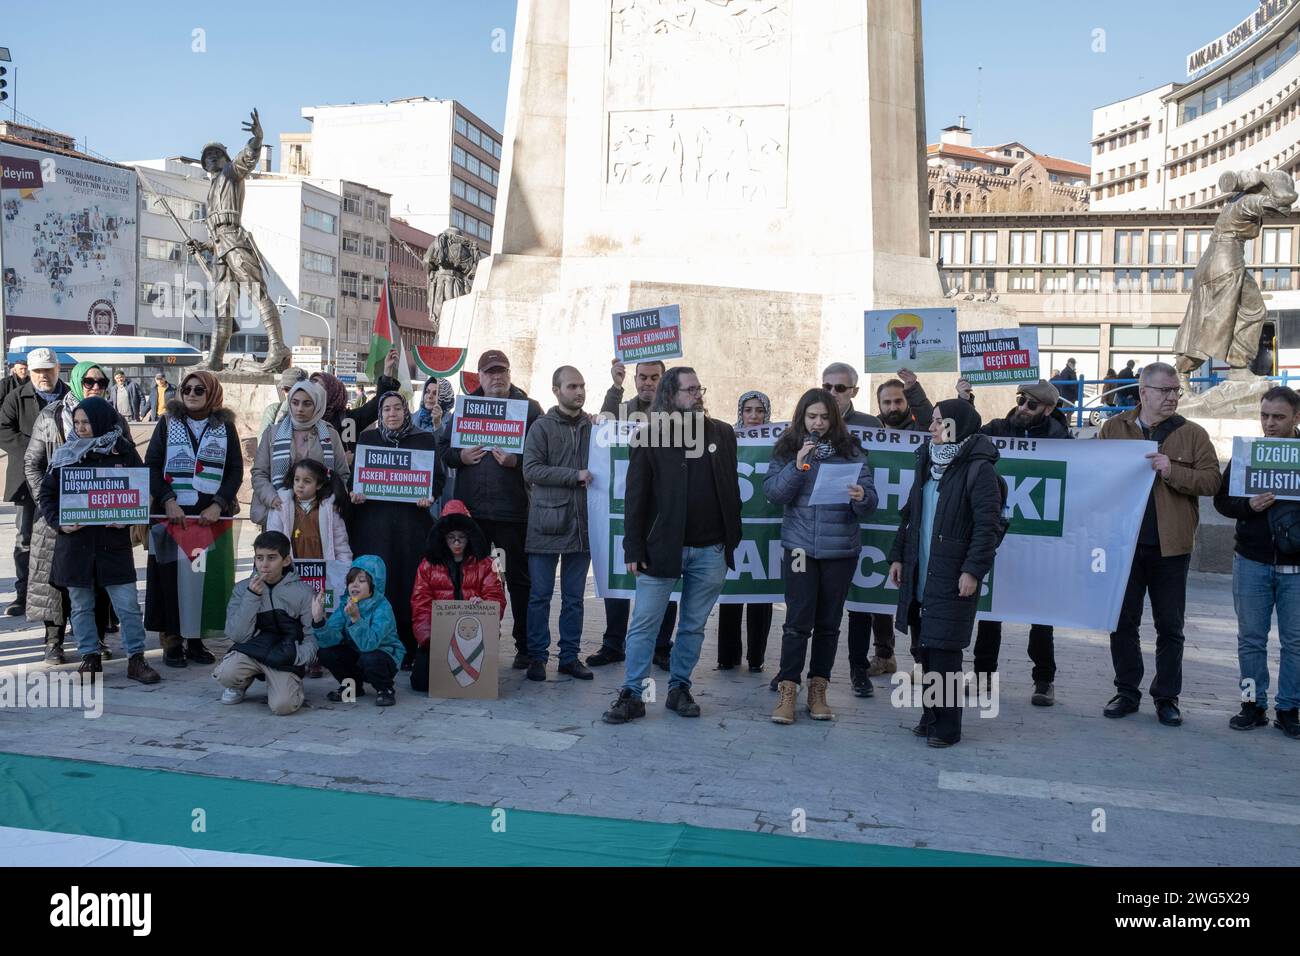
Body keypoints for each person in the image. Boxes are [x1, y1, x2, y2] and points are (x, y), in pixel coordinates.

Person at [602, 367, 742, 724]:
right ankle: (632, 693)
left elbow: (730, 490)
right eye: (690, 390)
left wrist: (731, 541)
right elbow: (635, 499)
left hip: (710, 550)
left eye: (700, 388)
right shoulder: (648, 438)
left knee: (693, 626)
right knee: (644, 625)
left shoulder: (723, 434)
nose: (698, 395)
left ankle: (679, 688)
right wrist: (633, 548)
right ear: (670, 395)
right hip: (660, 549)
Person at [1099, 362, 1220, 726]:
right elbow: (1093, 471)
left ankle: (1166, 697)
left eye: (1176, 391)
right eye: (1165, 390)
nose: (1172, 397)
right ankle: (1126, 690)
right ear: (1143, 393)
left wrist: (1173, 471)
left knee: (1170, 626)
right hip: (1125, 543)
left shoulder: (1193, 434)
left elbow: (1212, 481)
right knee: (1122, 622)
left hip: (1171, 547)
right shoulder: (1114, 428)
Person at [888, 400, 1004, 748]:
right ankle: (930, 715)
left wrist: (973, 570)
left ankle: (947, 727)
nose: (931, 428)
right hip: (921, 569)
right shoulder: (926, 459)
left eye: (938, 422)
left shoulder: (978, 469)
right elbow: (910, 514)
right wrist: (897, 556)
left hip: (953, 572)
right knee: (924, 648)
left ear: (957, 424)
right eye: (932, 421)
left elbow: (988, 527)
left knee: (945, 649)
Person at [766, 389, 878, 724]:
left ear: (835, 419)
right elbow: (773, 493)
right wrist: (800, 464)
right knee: (798, 621)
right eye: (812, 416)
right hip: (800, 547)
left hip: (840, 550)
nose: (818, 423)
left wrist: (861, 496)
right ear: (802, 417)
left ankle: (819, 690)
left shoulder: (851, 450)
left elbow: (870, 501)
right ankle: (788, 689)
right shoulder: (788, 449)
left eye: (825, 417)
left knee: (828, 624)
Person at [39, 397, 160, 684]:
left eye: (87, 422)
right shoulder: (65, 454)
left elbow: (140, 491)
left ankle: (136, 659)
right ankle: (89, 658)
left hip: (112, 545)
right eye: (77, 422)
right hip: (76, 545)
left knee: (127, 604)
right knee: (80, 604)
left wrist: (128, 517)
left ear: (102, 421)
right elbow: (46, 496)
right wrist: (60, 523)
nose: (81, 428)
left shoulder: (124, 452)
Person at [437, 350, 543, 669]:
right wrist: (460, 457)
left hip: (513, 512)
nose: (497, 377)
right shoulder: (466, 408)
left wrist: (517, 461)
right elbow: (443, 448)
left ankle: (525, 646)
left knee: (519, 581)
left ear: (510, 374)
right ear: (479, 378)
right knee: (468, 578)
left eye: (502, 371)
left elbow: (544, 453)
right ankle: (468, 644)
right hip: (473, 515)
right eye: (490, 372)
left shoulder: (530, 410)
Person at [971, 379, 1072, 706]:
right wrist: (965, 400)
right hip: (998, 534)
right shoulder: (998, 428)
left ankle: (1043, 680)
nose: (1022, 409)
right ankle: (984, 676)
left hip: (1039, 539)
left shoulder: (1062, 441)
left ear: (1048, 409)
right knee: (990, 610)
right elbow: (964, 436)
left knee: (1040, 612)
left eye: (1031, 404)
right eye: (1019, 400)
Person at [24, 361, 126, 663]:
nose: (95, 387)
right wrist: (50, 503)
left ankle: (94, 642)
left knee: (94, 583)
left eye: (101, 382)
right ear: (78, 381)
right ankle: (53, 641)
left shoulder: (113, 419)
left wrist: (122, 509)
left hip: (100, 520)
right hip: (58, 518)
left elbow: (129, 465)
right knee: (54, 581)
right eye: (89, 381)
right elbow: (33, 463)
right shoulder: (53, 414)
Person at [1214, 386, 1300, 739]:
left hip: (1296, 566)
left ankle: (1289, 707)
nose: (1270, 423)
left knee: (1295, 641)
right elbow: (1222, 502)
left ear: (1296, 417)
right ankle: (1252, 703)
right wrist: (1249, 506)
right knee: (1251, 639)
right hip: (1251, 561)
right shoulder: (1248, 454)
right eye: (1264, 416)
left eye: (1278, 417)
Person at [144, 371, 244, 668]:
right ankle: (172, 641)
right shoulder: (167, 422)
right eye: (187, 388)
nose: (192, 393)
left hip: (207, 520)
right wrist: (167, 499)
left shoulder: (225, 427)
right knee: (170, 581)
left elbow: (235, 470)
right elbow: (151, 464)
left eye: (199, 389)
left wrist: (219, 504)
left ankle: (197, 640)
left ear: (211, 393)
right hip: (172, 517)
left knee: (202, 580)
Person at [589, 357, 677, 670]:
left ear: (664, 380)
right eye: (643, 377)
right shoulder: (623, 410)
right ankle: (613, 644)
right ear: (635, 378)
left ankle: (661, 646)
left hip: (664, 514)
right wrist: (615, 385)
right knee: (619, 578)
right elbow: (604, 424)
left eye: (654, 377)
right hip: (624, 510)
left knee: (664, 581)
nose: (648, 383)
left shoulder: (677, 414)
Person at [349, 391, 443, 670]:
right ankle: (375, 641)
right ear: (380, 414)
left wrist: (431, 496)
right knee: (379, 580)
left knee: (408, 581)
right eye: (386, 409)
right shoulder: (368, 439)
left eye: (397, 408)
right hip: (374, 524)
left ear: (406, 411)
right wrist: (356, 493)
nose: (392, 414)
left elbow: (436, 478)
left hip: (410, 525)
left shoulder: (423, 439)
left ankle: (409, 645)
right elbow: (356, 478)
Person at [522, 366, 594, 682]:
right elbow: (531, 470)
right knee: (540, 595)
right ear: (556, 390)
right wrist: (573, 475)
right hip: (546, 524)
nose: (578, 391)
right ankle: (537, 657)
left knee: (574, 598)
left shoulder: (594, 427)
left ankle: (569, 657)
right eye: (572, 386)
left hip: (581, 525)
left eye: (581, 386)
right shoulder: (542, 427)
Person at [820, 361, 886, 699]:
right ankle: (798, 675)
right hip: (814, 530)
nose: (832, 394)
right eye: (827, 386)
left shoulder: (872, 425)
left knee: (860, 606)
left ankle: (859, 671)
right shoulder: (810, 418)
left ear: (854, 392)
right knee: (811, 611)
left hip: (856, 525)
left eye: (840, 388)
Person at [213, 530, 318, 714]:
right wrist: (252, 596)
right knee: (225, 674)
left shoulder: (303, 592)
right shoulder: (242, 588)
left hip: (285, 654)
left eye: (272, 558)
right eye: (259, 558)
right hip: (254, 649)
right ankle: (240, 684)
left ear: (285, 561)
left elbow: (311, 636)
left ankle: (284, 685)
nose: (264, 565)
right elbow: (237, 635)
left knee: (282, 706)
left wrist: (298, 658)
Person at [266, 457, 352, 677]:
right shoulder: (281, 505)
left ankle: (317, 656)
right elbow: (272, 540)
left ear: (319, 485)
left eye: (306, 481)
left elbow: (341, 544)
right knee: (295, 613)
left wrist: (344, 570)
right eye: (296, 480)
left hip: (322, 574)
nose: (300, 486)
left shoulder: (329, 509)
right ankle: (297, 655)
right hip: (294, 571)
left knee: (318, 612)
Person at [410, 501, 506, 693]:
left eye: (461, 537)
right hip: (438, 638)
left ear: (470, 538)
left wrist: (483, 606)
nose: (456, 543)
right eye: (451, 537)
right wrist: (430, 639)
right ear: (442, 538)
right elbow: (420, 604)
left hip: (474, 636)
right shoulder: (427, 566)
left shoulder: (487, 565)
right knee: (420, 683)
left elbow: (497, 599)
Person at [0, 348, 68, 619]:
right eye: (38, 370)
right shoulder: (16, 398)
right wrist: (36, 450)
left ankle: (65, 593)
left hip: (66, 481)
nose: (43, 375)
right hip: (26, 480)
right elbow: (3, 429)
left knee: (66, 537)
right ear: (28, 371)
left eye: (48, 370)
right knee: (25, 539)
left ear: (58, 369)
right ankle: (23, 594)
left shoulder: (71, 395)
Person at [718, 391, 774, 671]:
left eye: (759, 411)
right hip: (732, 526)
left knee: (760, 593)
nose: (753, 416)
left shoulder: (779, 443)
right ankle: (727, 658)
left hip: (763, 526)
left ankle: (756, 659)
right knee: (732, 590)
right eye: (748, 410)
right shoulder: (727, 438)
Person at [251, 380, 350, 528]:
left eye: (307, 404)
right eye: (295, 403)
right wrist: (272, 498)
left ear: (317, 405)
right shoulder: (272, 433)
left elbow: (341, 475)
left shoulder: (330, 435)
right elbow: (259, 473)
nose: (299, 409)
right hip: (278, 513)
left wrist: (333, 501)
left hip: (319, 516)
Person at [314, 555, 403, 706]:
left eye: (361, 581)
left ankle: (385, 689)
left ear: (374, 584)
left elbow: (370, 644)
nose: (354, 585)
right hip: (357, 654)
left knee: (370, 658)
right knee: (326, 652)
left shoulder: (383, 607)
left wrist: (356, 618)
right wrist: (319, 621)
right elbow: (331, 639)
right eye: (351, 581)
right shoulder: (345, 604)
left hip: (382, 655)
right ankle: (351, 687)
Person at [259, 367, 308, 436]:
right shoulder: (273, 410)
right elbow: (263, 442)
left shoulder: (313, 412)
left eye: (296, 389)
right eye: (286, 389)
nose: (291, 394)